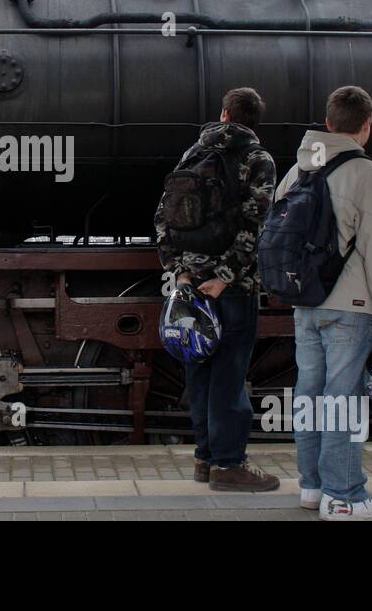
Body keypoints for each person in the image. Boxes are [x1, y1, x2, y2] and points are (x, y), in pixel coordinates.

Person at [274, 85, 372, 521]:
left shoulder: (297, 172)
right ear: (366, 127)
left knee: (310, 397)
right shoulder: (368, 175)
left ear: (328, 123)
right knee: (344, 401)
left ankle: (312, 487)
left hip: (306, 303)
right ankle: (345, 497)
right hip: (350, 306)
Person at [154, 87, 279, 492]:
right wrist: (224, 277)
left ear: (224, 114)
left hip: (191, 286)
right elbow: (255, 228)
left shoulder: (193, 153)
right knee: (229, 375)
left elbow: (163, 218)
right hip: (233, 289)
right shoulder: (258, 160)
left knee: (199, 373)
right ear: (255, 121)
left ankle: (204, 459)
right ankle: (229, 466)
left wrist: (180, 271)